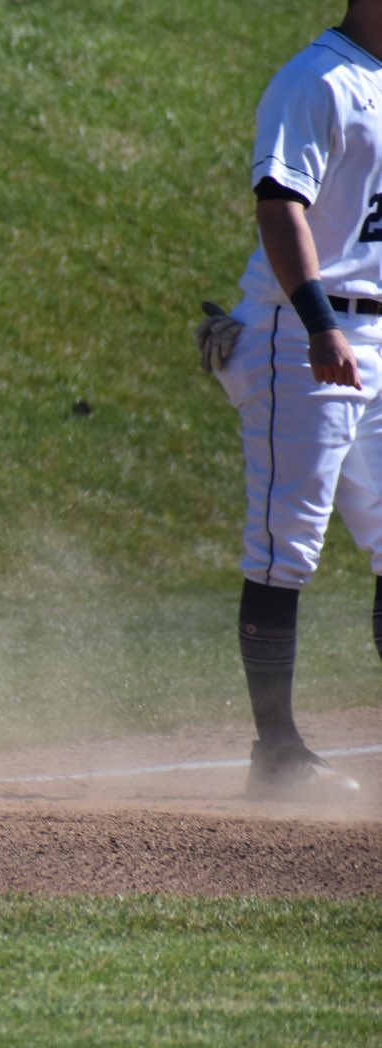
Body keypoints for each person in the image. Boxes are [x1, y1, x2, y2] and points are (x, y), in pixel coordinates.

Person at [194, 2, 382, 801]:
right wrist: (316, 326)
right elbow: (280, 205)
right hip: (299, 334)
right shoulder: (316, 81)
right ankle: (277, 752)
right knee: (286, 546)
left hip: (371, 332)